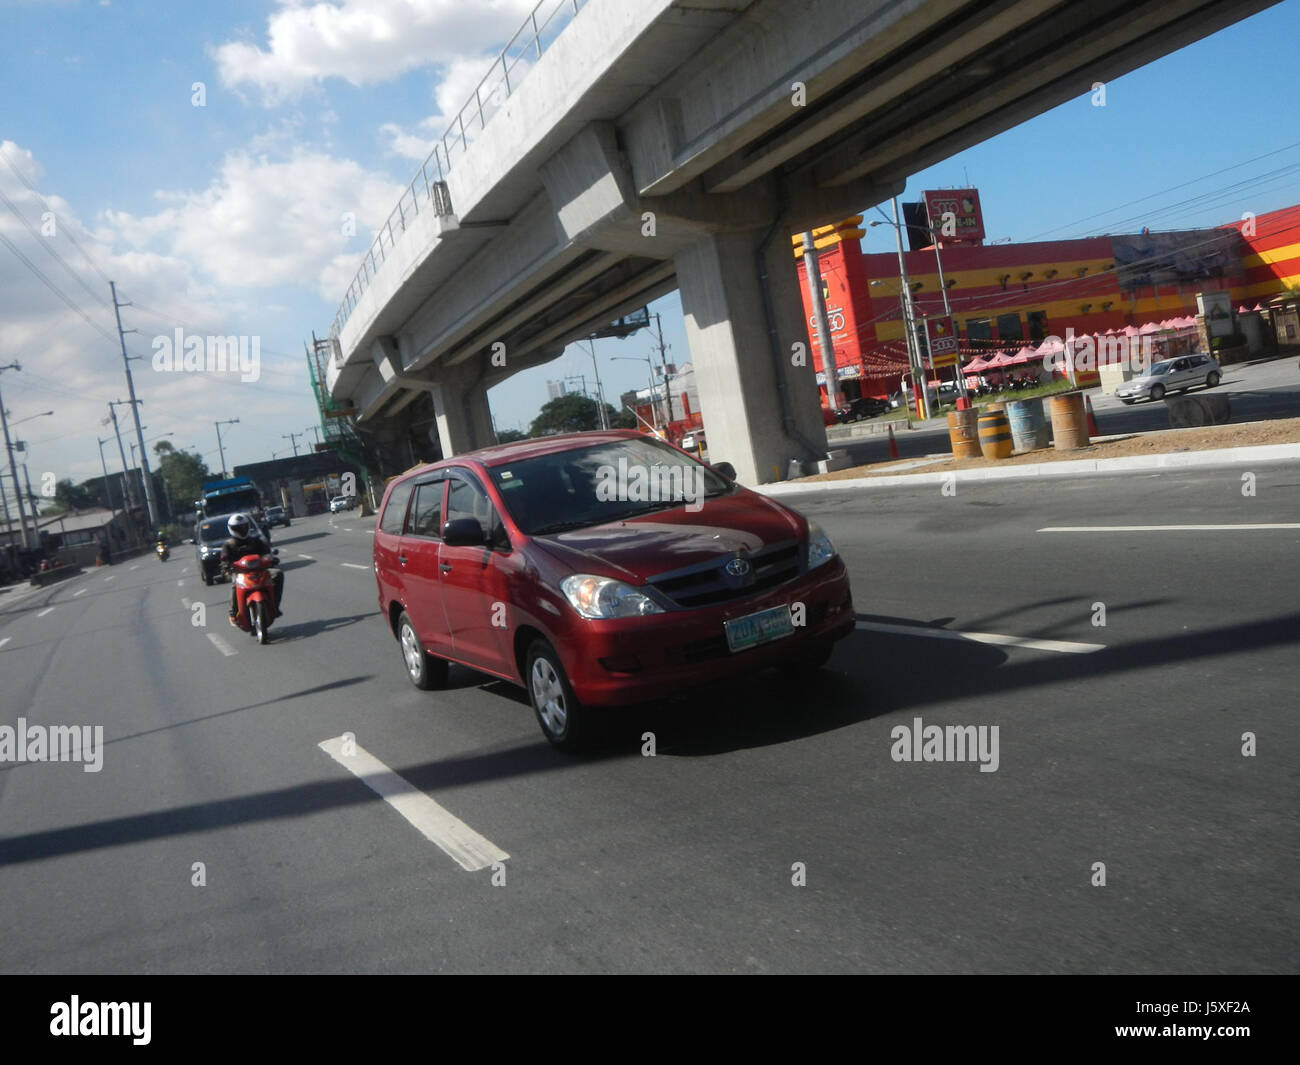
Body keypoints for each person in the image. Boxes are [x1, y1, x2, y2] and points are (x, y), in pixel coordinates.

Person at [219, 513, 283, 624]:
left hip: (260, 571)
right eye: (238, 528)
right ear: (231, 529)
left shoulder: (256, 541)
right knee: (235, 586)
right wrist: (226, 565)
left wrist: (271, 559)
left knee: (278, 574)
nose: (242, 530)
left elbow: (267, 552)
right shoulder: (228, 545)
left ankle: (275, 606)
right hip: (240, 574)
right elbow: (224, 559)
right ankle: (233, 613)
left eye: (244, 527)